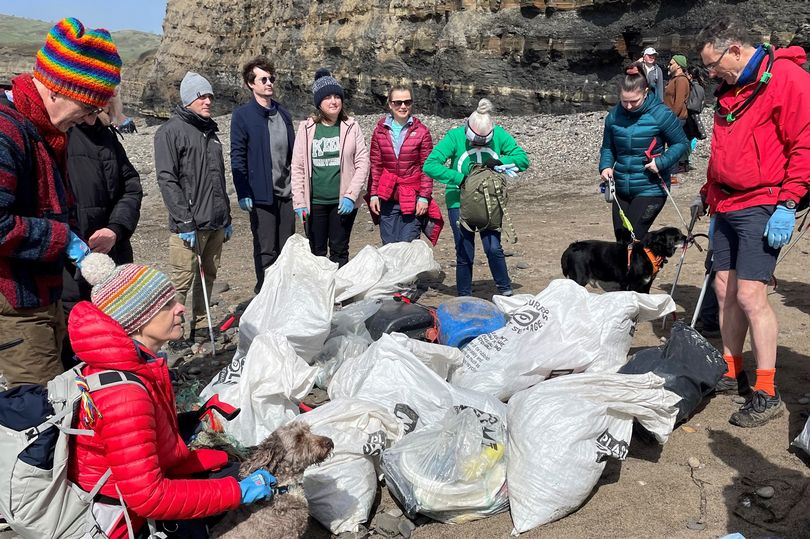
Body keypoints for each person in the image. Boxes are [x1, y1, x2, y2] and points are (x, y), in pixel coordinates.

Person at [67, 252, 275, 538]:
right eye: (167, 304)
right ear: (138, 320)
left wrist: (187, 425)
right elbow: (148, 497)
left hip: (134, 490)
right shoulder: (125, 394)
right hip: (125, 520)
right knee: (243, 490)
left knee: (231, 467)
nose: (180, 308)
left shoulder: (137, 364)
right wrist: (236, 492)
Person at [692, 15, 810, 427]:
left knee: (750, 296)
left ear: (736, 50)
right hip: (725, 204)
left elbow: (805, 143)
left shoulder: (788, 79)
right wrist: (708, 190)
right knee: (724, 289)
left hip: (763, 202)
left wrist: (788, 201)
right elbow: (724, 148)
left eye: (712, 65)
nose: (710, 74)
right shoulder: (731, 87)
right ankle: (731, 369)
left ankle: (767, 389)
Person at [0, 18, 120, 387]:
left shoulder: (43, 130)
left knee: (60, 394)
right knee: (40, 411)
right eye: (86, 107)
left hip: (42, 293)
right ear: (55, 90)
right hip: (17, 302)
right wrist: (62, 238)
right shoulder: (7, 132)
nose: (88, 119)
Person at [62, 91, 143, 367]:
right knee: (79, 348)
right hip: (73, 268)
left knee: (116, 339)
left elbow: (131, 187)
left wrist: (116, 229)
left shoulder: (107, 137)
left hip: (114, 257)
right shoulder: (62, 137)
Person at [154, 72, 232, 344]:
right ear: (188, 99)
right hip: (188, 224)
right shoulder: (170, 131)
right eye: (201, 96)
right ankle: (173, 332)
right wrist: (183, 221)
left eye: (209, 95)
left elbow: (218, 177)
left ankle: (200, 325)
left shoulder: (211, 132)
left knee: (208, 275)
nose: (208, 100)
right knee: (181, 280)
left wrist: (227, 217)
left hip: (215, 221)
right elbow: (167, 179)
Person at [423, 98, 529, 297]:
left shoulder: (499, 135)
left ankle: (505, 290)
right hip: (459, 201)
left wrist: (498, 160)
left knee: (494, 247)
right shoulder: (454, 137)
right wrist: (460, 179)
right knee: (464, 251)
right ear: (467, 130)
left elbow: (523, 159)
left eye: (483, 142)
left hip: (490, 200)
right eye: (474, 142)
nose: (478, 145)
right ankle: (464, 296)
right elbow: (430, 164)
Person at [598, 63, 689, 244]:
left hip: (651, 188)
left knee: (632, 239)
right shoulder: (614, 116)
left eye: (634, 101)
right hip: (621, 188)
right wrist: (606, 165)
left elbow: (682, 144)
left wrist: (661, 162)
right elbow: (608, 147)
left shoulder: (661, 114)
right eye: (625, 101)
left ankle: (646, 263)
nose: (629, 106)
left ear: (646, 92)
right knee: (622, 241)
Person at [291, 68, 369, 267]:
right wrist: (299, 201)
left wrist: (351, 195)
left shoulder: (352, 126)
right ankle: (320, 295)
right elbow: (298, 167)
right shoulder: (307, 128)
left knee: (340, 250)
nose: (333, 101)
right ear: (319, 103)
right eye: (327, 97)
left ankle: (339, 296)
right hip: (314, 202)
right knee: (316, 253)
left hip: (341, 203)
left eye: (337, 96)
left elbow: (362, 163)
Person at [231, 57, 296, 294]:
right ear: (251, 84)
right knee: (266, 248)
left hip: (286, 192)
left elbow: (293, 154)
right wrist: (243, 191)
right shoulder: (243, 116)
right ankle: (266, 294)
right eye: (263, 79)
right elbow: (237, 156)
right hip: (260, 195)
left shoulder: (284, 114)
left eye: (271, 79)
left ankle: (286, 293)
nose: (269, 83)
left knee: (287, 247)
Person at [368, 85, 443, 245]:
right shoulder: (379, 132)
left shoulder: (422, 132)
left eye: (407, 102)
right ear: (390, 104)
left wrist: (424, 197)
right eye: (398, 102)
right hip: (387, 197)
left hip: (412, 197)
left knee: (408, 247)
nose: (403, 106)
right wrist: (373, 194)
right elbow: (376, 166)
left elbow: (427, 168)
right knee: (388, 247)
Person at [663, 54, 690, 121]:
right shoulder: (674, 79)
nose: (668, 66)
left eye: (671, 64)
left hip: (676, 119)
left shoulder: (681, 80)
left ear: (678, 66)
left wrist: (671, 118)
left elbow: (679, 103)